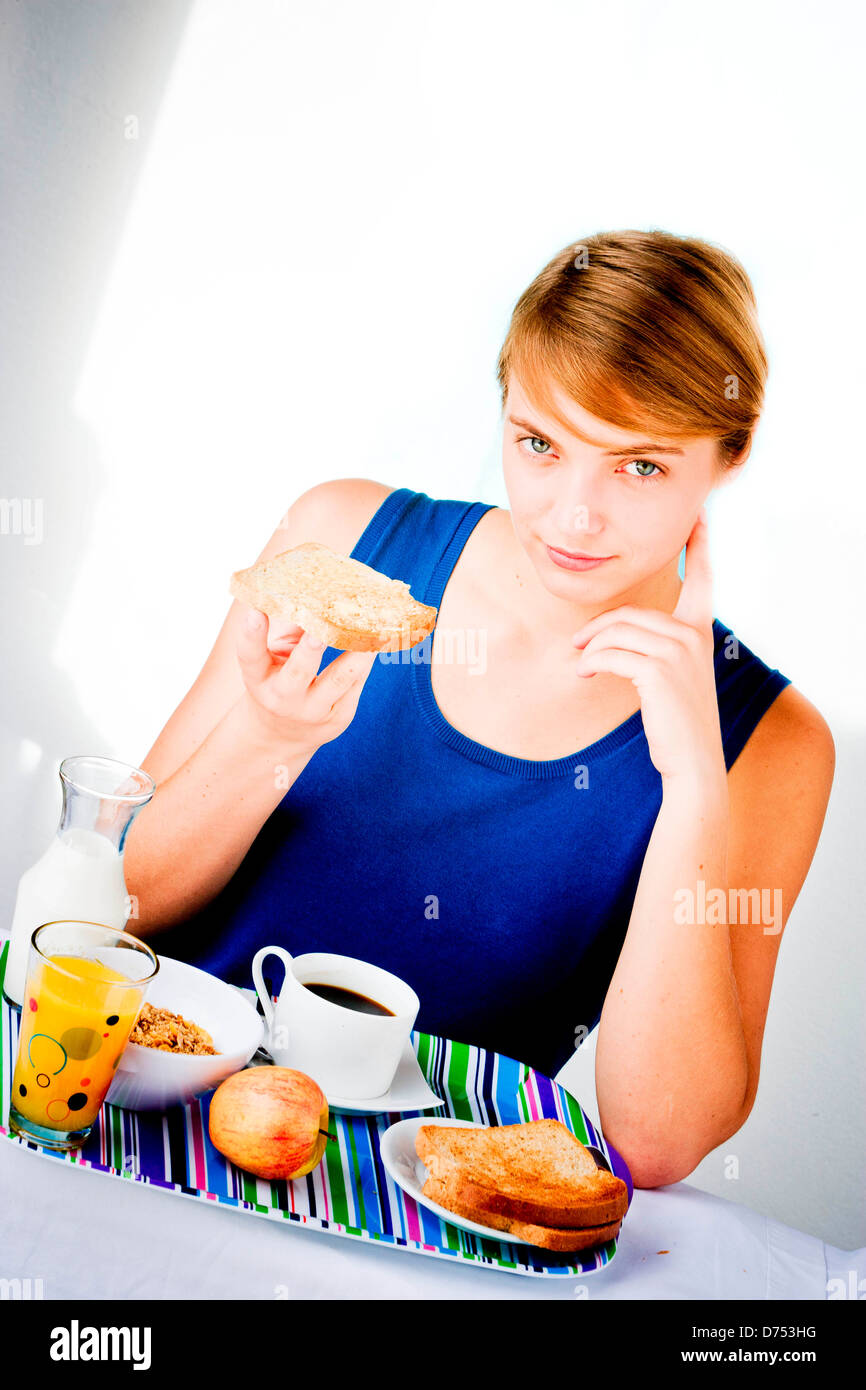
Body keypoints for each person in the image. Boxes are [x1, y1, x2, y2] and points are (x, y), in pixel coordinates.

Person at [124, 229, 834, 1188]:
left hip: (418, 1209)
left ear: (729, 456)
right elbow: (117, 905)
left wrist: (695, 792)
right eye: (541, 444)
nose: (573, 515)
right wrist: (268, 738)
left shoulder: (772, 744)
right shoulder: (345, 541)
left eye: (640, 467)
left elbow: (657, 1143)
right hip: (151, 1114)